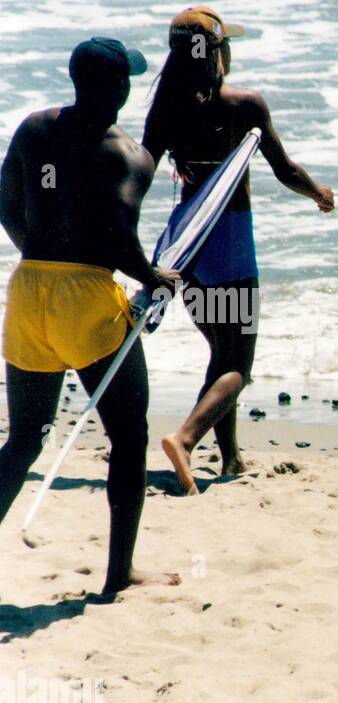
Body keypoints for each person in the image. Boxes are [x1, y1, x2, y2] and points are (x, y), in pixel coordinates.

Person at [0, 38, 182, 595]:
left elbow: (5, 203)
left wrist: (41, 252)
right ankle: (118, 573)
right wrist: (153, 277)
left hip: (29, 290)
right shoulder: (127, 154)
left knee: (25, 436)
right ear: (121, 87)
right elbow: (118, 229)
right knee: (128, 436)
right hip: (88, 299)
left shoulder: (34, 128)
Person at [142, 5, 334, 496]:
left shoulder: (164, 108)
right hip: (228, 244)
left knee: (219, 351)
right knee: (238, 364)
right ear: (219, 51)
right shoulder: (244, 104)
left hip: (185, 246)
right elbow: (284, 167)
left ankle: (230, 458)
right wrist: (319, 194)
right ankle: (185, 439)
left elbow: (140, 173)